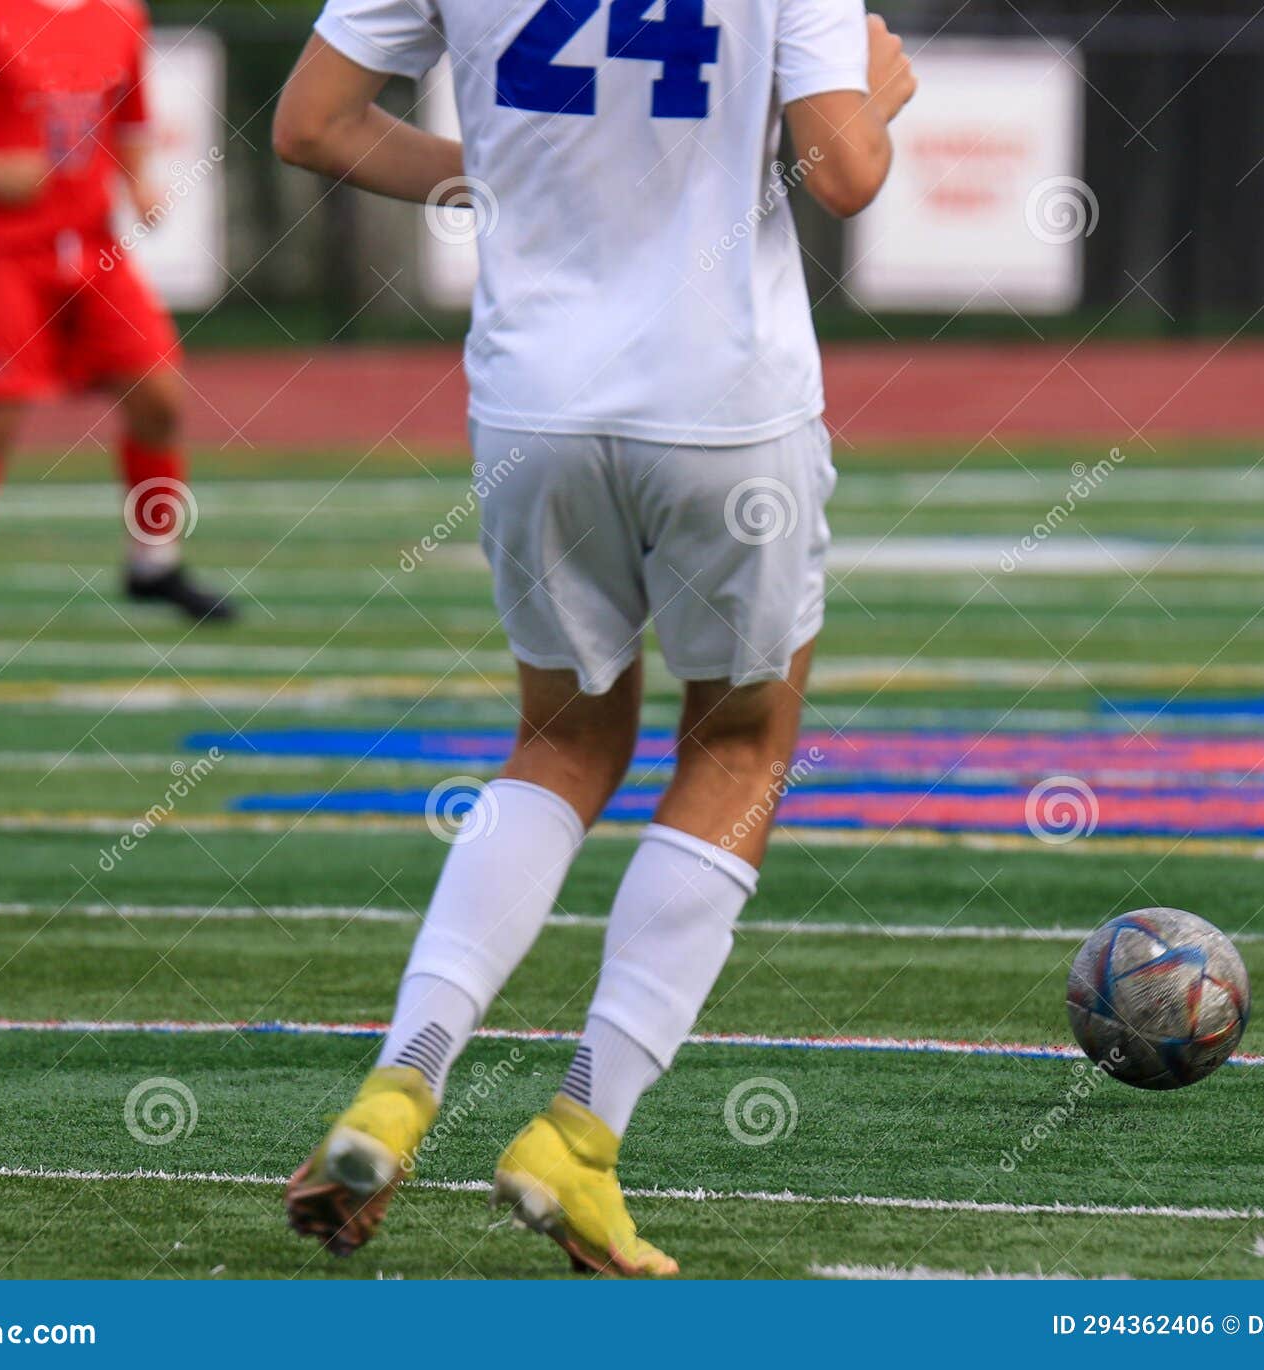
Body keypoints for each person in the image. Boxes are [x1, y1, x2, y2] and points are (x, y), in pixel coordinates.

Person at [274, 0, 914, 1275]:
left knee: (560, 742)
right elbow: (843, 172)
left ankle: (401, 1083)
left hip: (536, 399)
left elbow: (313, 125)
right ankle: (578, 1132)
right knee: (737, 747)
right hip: (722, 403)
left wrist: (499, 180)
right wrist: (880, 95)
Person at [0, 0, 234, 625]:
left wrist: (138, 180)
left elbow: (129, 118)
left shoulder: (120, 13)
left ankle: (154, 562)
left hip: (93, 242)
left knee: (157, 390)